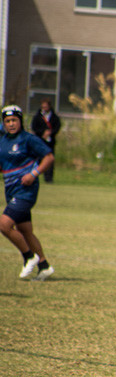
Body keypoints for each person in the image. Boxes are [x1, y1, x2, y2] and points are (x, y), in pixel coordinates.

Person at [1, 104, 55, 281]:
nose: (11, 124)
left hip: (26, 191)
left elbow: (49, 157)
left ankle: (29, 257)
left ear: (21, 121)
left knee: (4, 225)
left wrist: (34, 174)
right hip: (11, 191)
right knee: (25, 230)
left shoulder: (28, 139)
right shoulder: (2, 141)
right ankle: (44, 266)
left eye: (14, 120)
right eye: (7, 121)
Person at [30, 100, 60, 183]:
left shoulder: (54, 117)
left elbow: (57, 127)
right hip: (39, 140)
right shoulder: (37, 116)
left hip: (50, 142)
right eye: (43, 107)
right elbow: (34, 127)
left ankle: (49, 178)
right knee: (38, 159)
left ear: (49, 106)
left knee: (50, 159)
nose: (44, 108)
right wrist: (42, 133)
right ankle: (33, 176)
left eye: (46, 107)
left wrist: (50, 133)